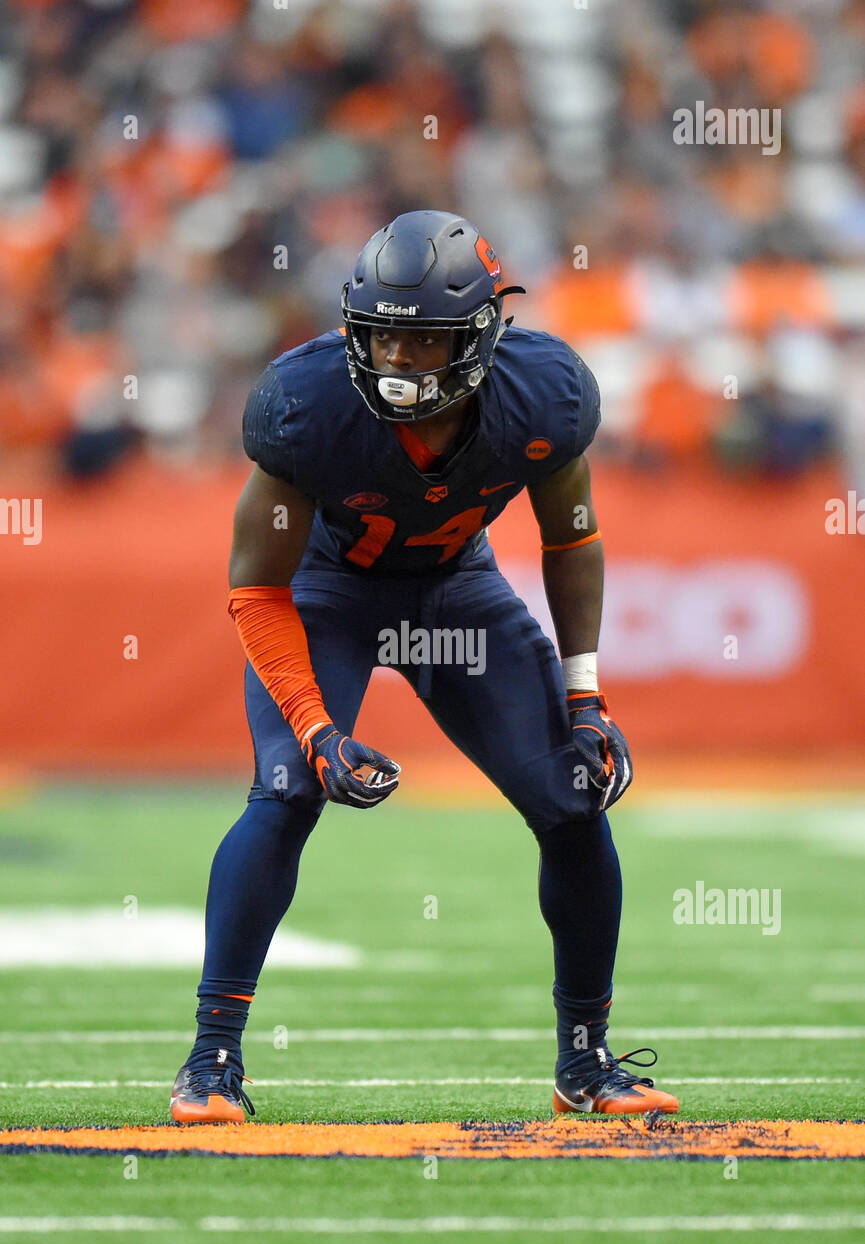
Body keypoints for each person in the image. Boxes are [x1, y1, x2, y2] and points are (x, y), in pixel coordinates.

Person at [169, 208, 678, 1123]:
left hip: (458, 594)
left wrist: (587, 698)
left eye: (425, 341)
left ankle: (585, 1058)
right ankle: (211, 1061)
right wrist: (320, 731)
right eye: (383, 340)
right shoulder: (306, 404)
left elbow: (572, 539)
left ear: (481, 334)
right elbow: (256, 591)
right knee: (287, 789)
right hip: (329, 594)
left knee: (572, 794)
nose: (399, 364)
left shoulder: (544, 396)